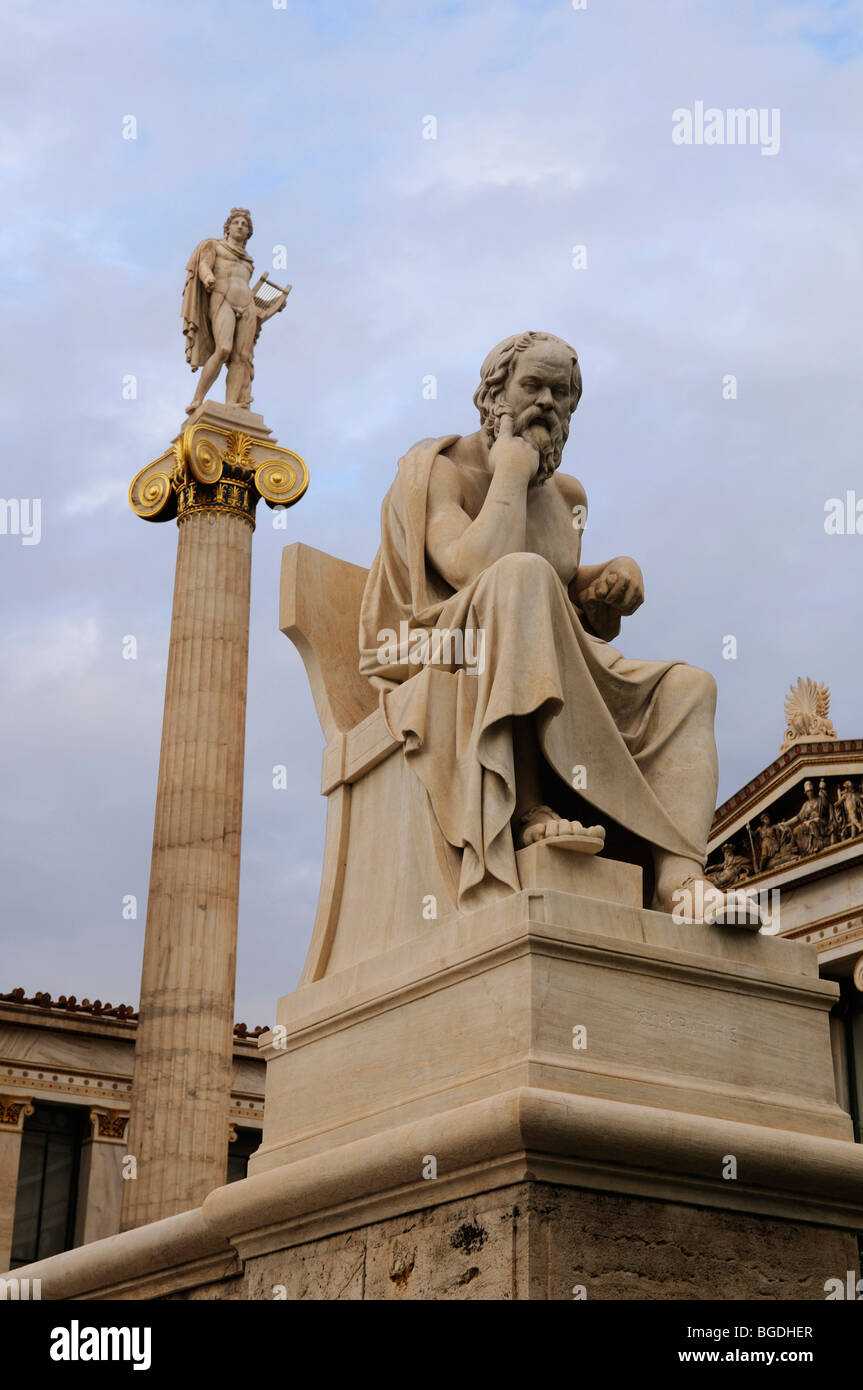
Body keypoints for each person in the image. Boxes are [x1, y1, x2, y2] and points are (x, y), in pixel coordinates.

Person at [359, 331, 727, 919]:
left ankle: (680, 878)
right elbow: (473, 567)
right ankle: (526, 807)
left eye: (561, 393)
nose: (547, 403)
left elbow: (564, 589)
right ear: (493, 393)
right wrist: (509, 473)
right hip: (447, 644)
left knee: (691, 686)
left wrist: (612, 575)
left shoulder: (568, 494)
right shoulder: (442, 471)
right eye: (532, 385)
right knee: (520, 576)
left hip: (543, 637)